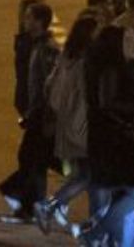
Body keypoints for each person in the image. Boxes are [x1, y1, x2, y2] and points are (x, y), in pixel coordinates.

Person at [83, 22, 134, 247]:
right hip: (115, 138)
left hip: (109, 136)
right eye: (128, 40)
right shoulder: (112, 68)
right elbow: (108, 102)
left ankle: (108, 237)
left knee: (122, 192)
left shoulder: (113, 65)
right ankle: (95, 234)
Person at [37, 14, 98, 233]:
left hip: (68, 125)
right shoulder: (85, 65)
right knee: (91, 176)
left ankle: (56, 206)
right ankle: (51, 205)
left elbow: (51, 92)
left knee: (83, 175)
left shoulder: (66, 59)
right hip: (82, 127)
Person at [0, 0, 59, 221]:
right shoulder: (33, 44)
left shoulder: (47, 49)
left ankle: (34, 205)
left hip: (41, 114)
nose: (25, 22)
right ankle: (34, 206)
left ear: (40, 21)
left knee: (32, 159)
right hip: (35, 112)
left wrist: (43, 114)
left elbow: (50, 86)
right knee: (35, 160)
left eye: (29, 18)